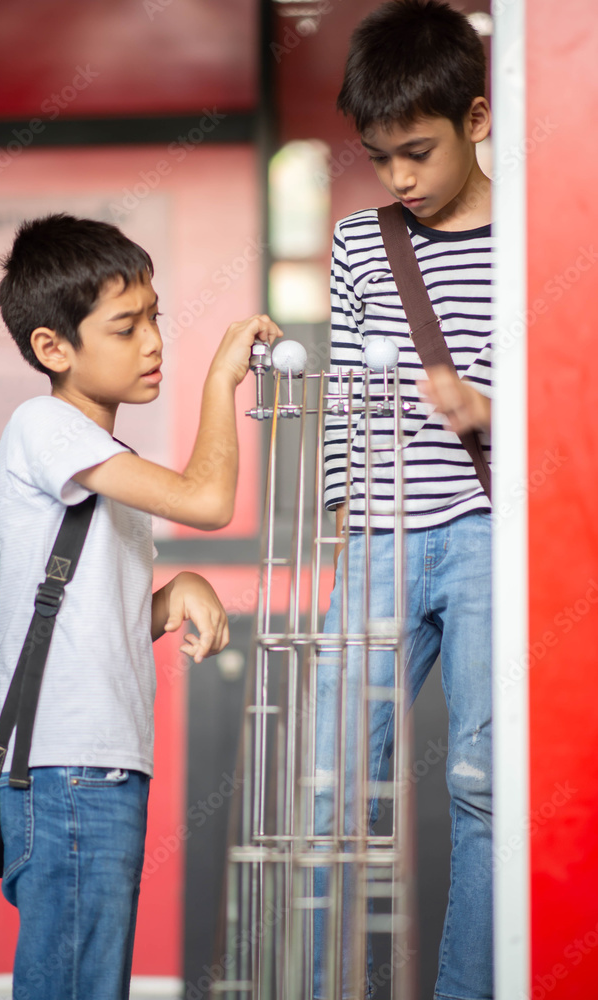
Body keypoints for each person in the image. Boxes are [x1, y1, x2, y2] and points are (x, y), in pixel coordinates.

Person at [0, 213, 282, 1000]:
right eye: (126, 327)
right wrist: (222, 379)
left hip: (93, 767)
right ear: (54, 348)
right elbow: (209, 499)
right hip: (71, 769)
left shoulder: (100, 465)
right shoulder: (45, 427)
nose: (155, 341)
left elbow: (82, 613)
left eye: (154, 315)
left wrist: (171, 594)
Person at [315, 2, 493, 998]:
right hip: (377, 539)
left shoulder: (540, 237)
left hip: (487, 537)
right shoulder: (358, 243)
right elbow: (342, 394)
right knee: (329, 782)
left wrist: (483, 408)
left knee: (483, 789)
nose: (399, 180)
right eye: (380, 158)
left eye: (416, 152)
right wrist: (344, 526)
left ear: (473, 117)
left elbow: (566, 410)